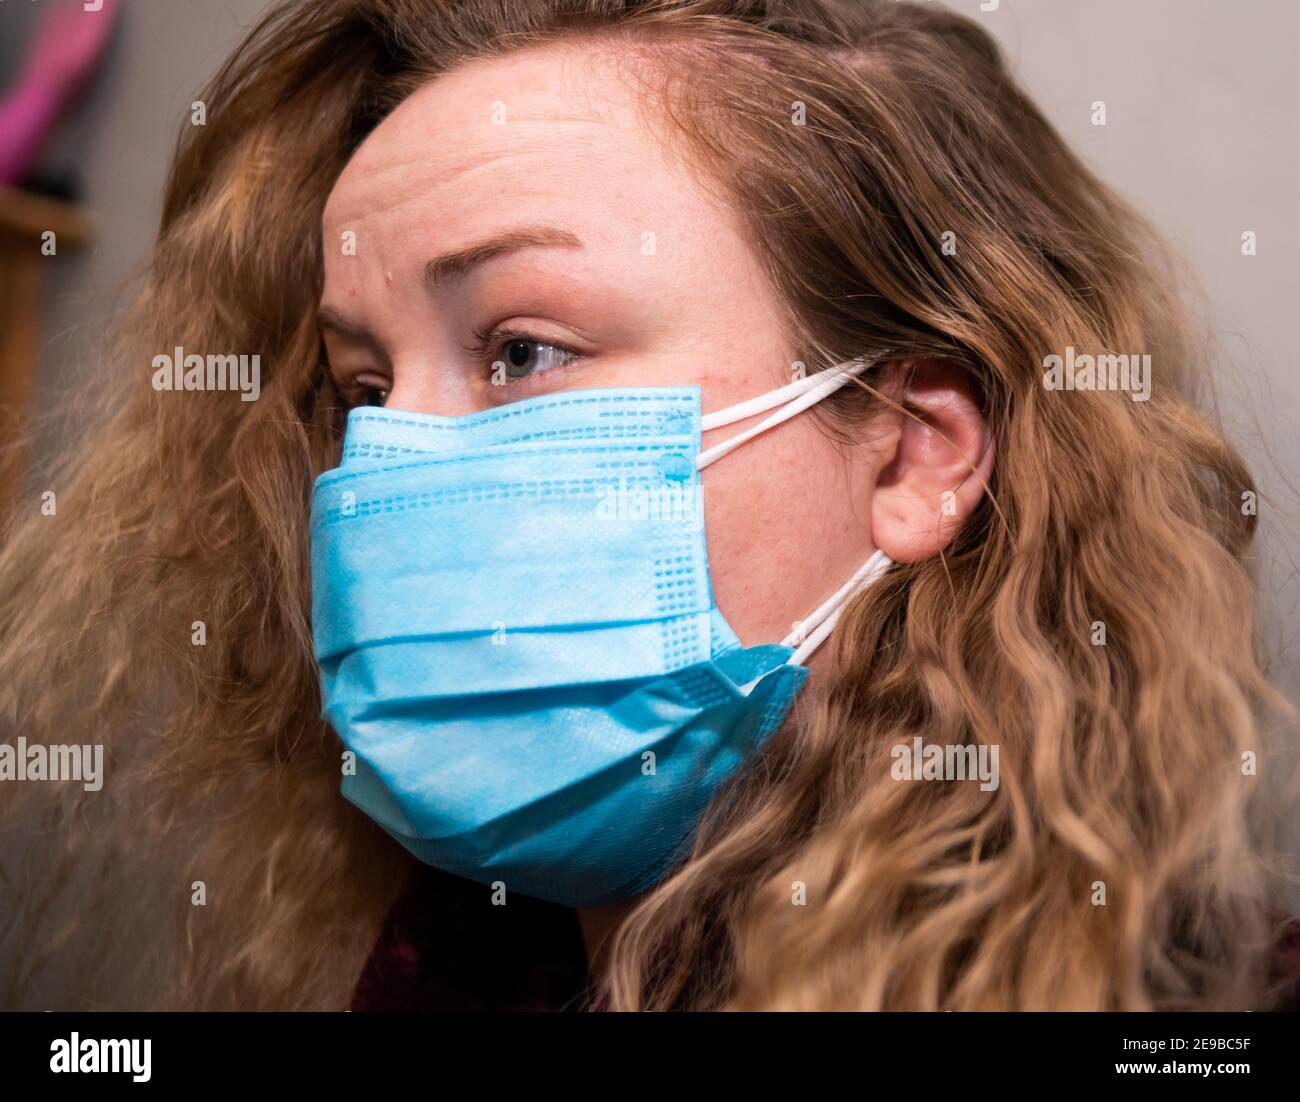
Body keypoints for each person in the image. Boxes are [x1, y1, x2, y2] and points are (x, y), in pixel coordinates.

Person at [2, 0, 1295, 1012]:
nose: (384, 469)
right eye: (364, 385)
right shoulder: (439, 966)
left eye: (520, 351)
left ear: (911, 455)